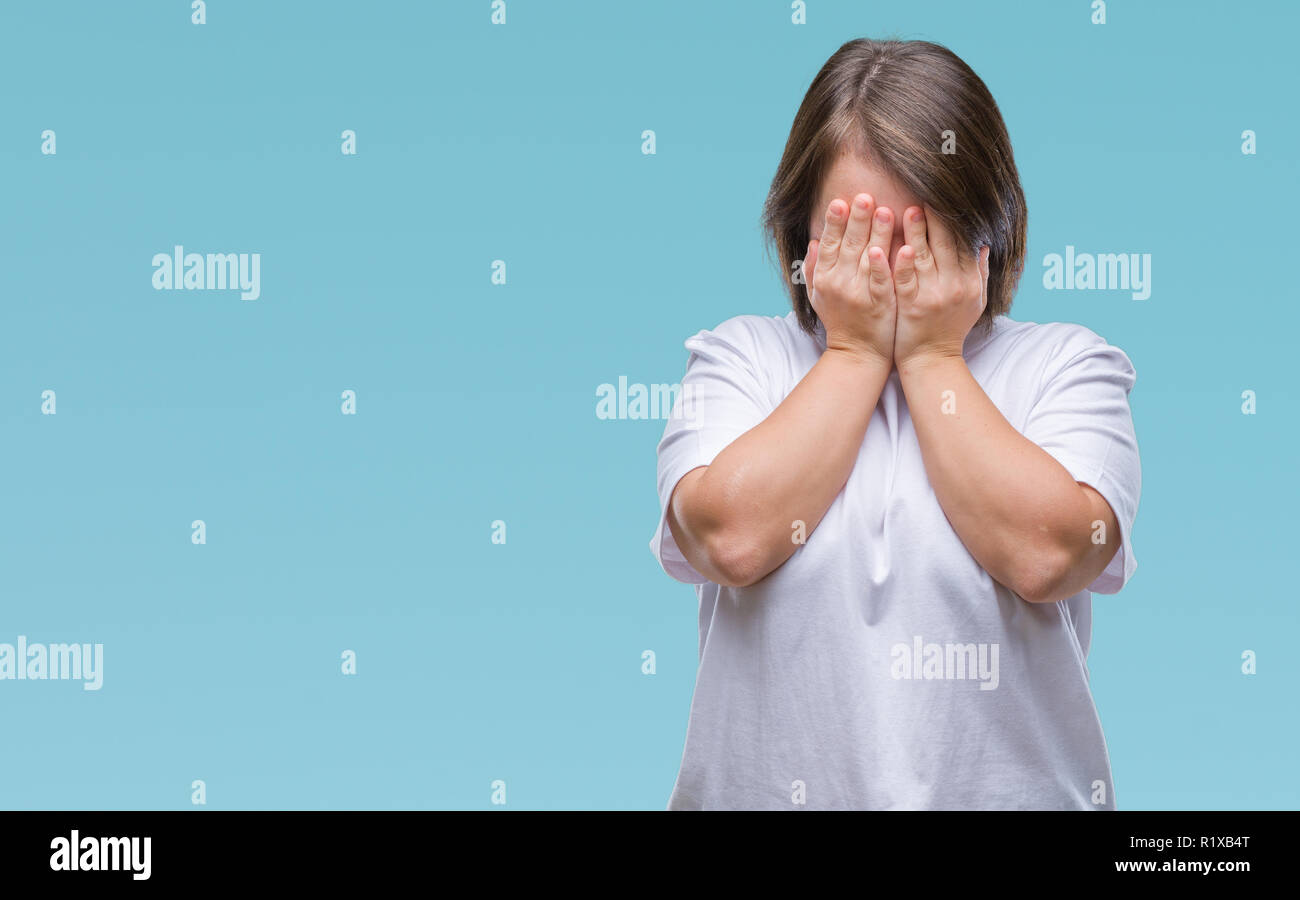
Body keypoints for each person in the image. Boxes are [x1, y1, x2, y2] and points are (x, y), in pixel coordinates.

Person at [649, 37, 1141, 810]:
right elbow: (728, 538)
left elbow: (1050, 555)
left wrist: (934, 356)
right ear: (801, 235)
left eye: (920, 239)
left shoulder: (1066, 366)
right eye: (856, 236)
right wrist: (851, 353)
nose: (889, 266)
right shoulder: (739, 358)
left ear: (985, 234)